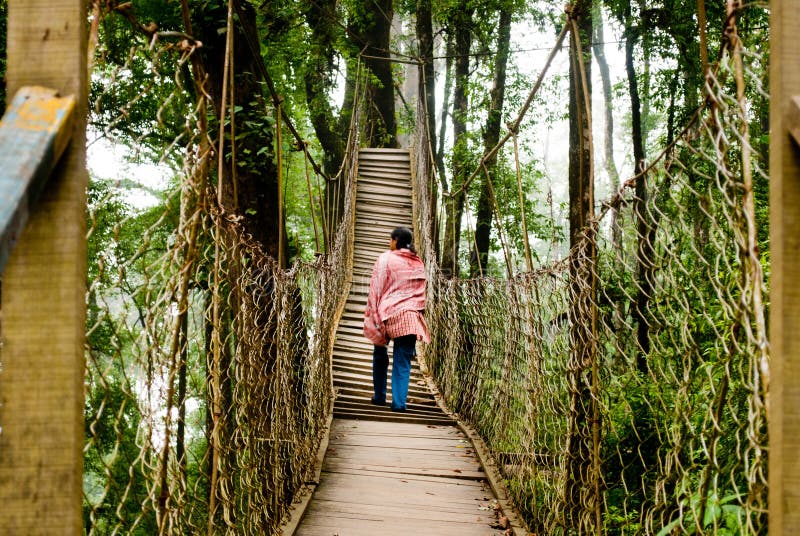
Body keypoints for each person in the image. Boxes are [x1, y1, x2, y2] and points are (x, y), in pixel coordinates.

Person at [363, 226, 430, 412]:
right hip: (410, 317)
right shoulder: (418, 262)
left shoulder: (385, 258)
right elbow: (421, 292)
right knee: (403, 361)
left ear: (396, 241)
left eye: (390, 240)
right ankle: (399, 404)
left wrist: (373, 317)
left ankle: (379, 396)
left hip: (388, 314)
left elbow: (376, 288)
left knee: (380, 352)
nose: (389, 243)